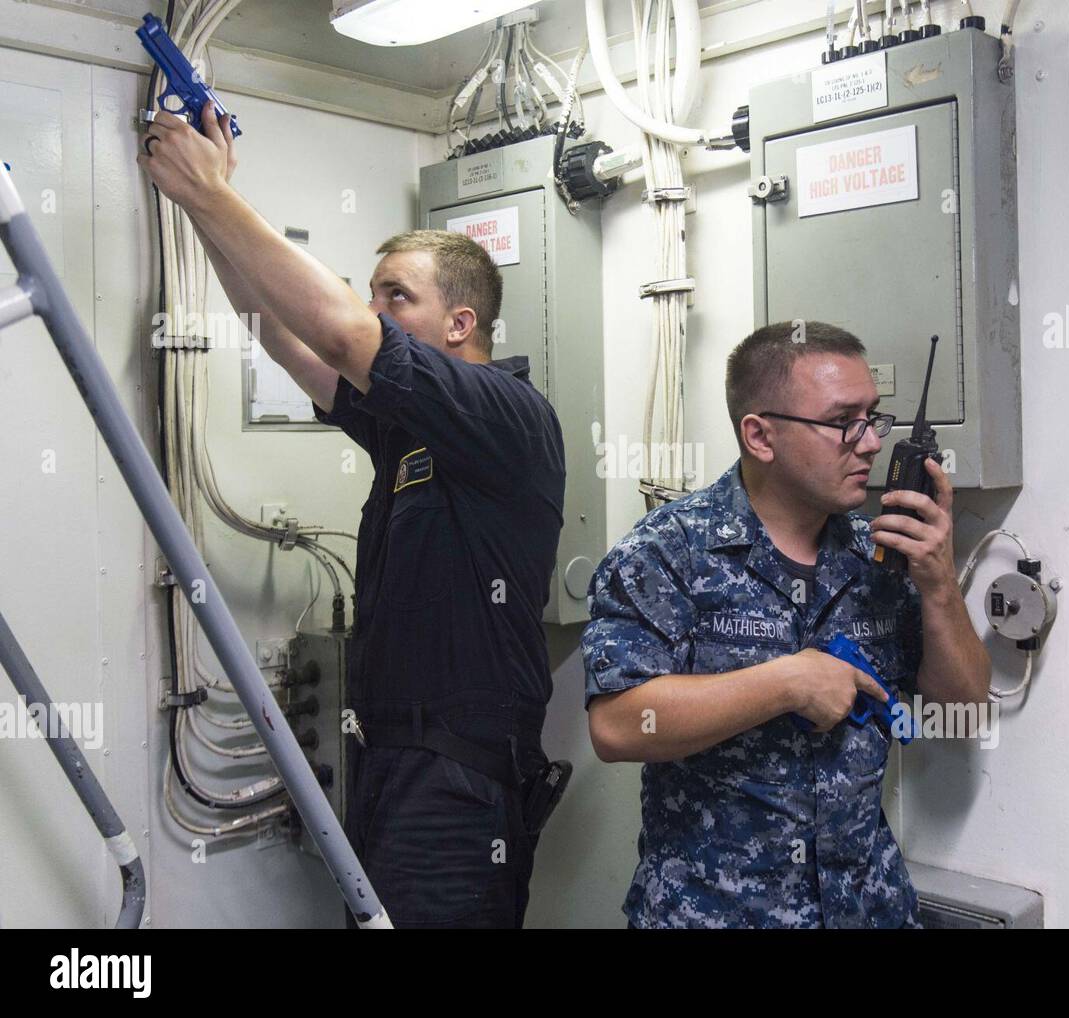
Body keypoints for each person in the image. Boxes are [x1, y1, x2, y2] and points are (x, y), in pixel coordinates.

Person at [139, 102, 565, 928]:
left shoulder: (504, 414)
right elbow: (278, 334)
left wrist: (218, 192)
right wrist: (199, 201)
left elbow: (338, 335)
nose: (375, 311)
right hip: (392, 763)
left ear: (460, 323)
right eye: (373, 295)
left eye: (395, 297)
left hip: (461, 782)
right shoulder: (407, 425)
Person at [582, 320, 991, 928]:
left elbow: (965, 708)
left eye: (873, 418)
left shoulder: (875, 556)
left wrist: (937, 580)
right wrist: (788, 683)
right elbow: (617, 726)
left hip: (867, 909)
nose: (871, 443)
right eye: (842, 422)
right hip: (718, 912)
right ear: (761, 436)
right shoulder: (670, 551)